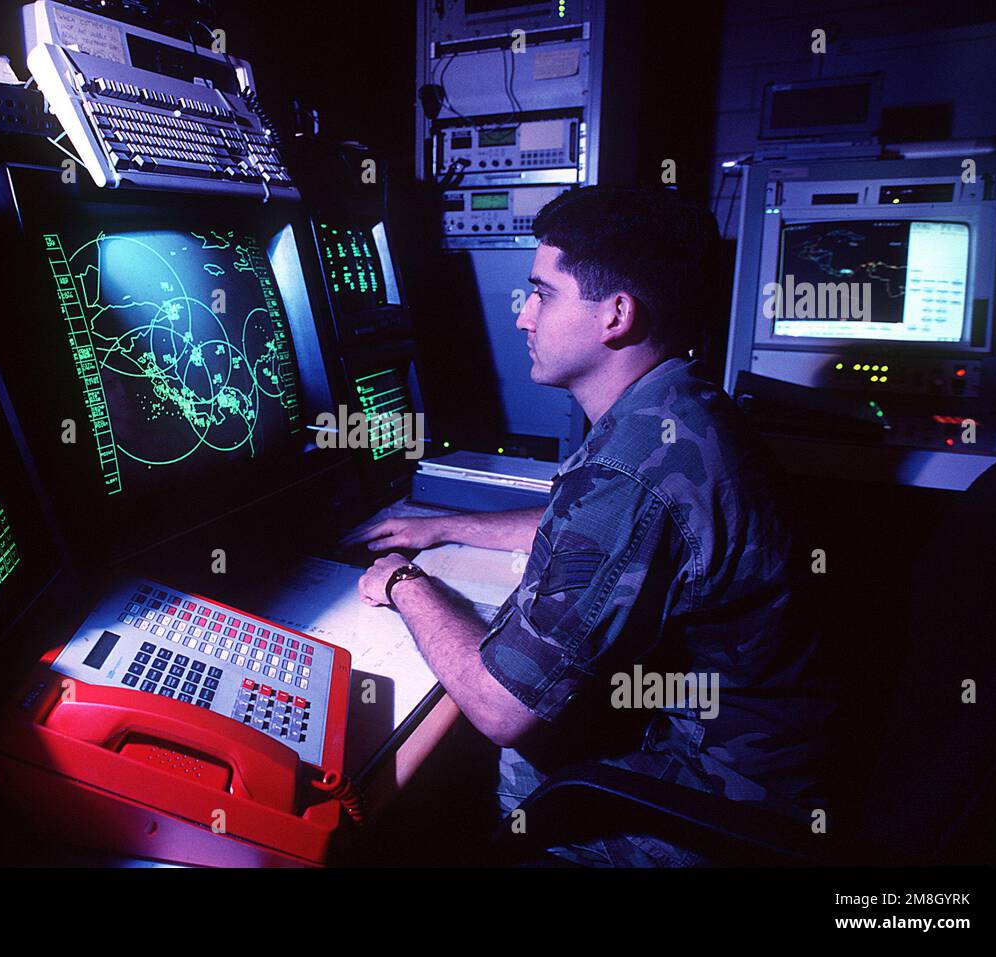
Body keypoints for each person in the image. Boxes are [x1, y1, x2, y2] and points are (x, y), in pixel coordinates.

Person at [351, 185, 830, 866]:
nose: (523, 317)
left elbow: (499, 705)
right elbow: (589, 533)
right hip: (741, 753)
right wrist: (445, 527)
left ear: (616, 314)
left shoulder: (637, 466)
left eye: (542, 292)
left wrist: (404, 583)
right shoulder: (679, 404)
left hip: (697, 806)